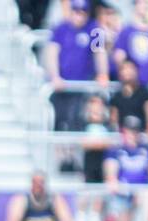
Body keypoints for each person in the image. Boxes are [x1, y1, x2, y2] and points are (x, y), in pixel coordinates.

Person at [46, 0, 107, 142]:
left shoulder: (94, 29)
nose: (79, 16)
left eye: (83, 12)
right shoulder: (61, 29)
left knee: (78, 121)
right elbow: (52, 53)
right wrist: (55, 76)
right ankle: (61, 158)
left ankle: (75, 158)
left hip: (82, 88)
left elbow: (100, 53)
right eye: (76, 12)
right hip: (63, 87)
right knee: (60, 123)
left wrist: (102, 73)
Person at [109, 59, 148, 134]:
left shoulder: (145, 93)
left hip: (141, 136)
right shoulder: (117, 96)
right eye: (124, 69)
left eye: (130, 68)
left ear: (136, 71)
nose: (127, 72)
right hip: (123, 137)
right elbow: (114, 119)